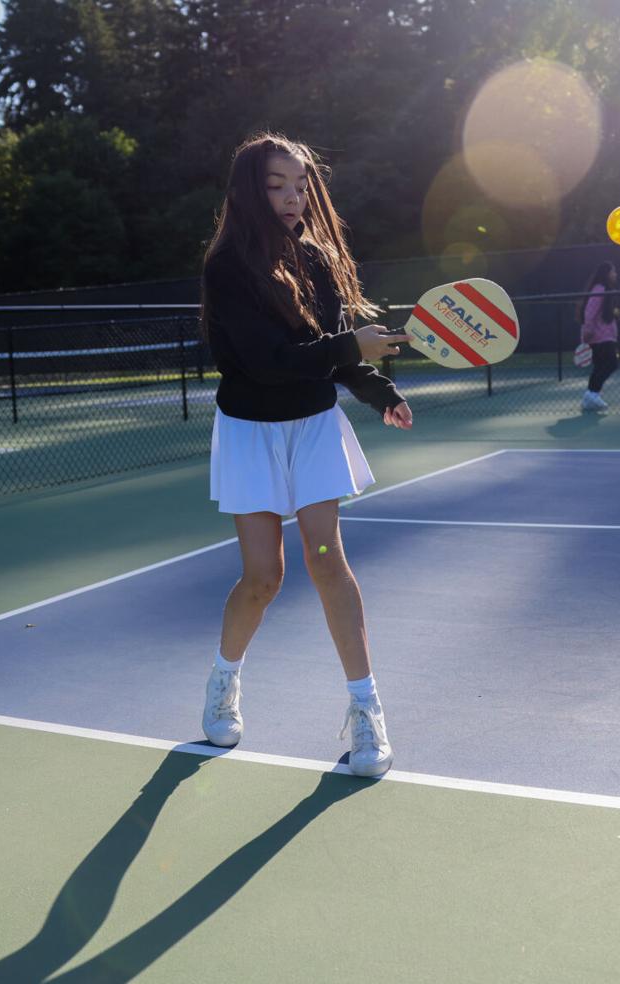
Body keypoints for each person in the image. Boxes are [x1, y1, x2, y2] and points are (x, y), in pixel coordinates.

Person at [198, 133, 410, 777]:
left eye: (300, 185)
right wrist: (352, 349)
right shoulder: (226, 268)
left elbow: (332, 348)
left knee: (326, 560)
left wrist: (379, 391)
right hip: (250, 430)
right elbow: (268, 362)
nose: (293, 197)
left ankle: (367, 712)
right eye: (277, 186)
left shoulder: (315, 258)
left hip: (314, 424)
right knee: (264, 578)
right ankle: (224, 680)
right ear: (248, 191)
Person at [578, 262, 620, 411]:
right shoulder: (599, 289)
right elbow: (590, 312)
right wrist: (587, 332)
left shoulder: (605, 290)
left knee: (600, 366)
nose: (615, 274)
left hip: (605, 336)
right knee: (611, 364)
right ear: (607, 274)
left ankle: (591, 396)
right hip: (598, 338)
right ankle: (591, 394)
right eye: (613, 272)